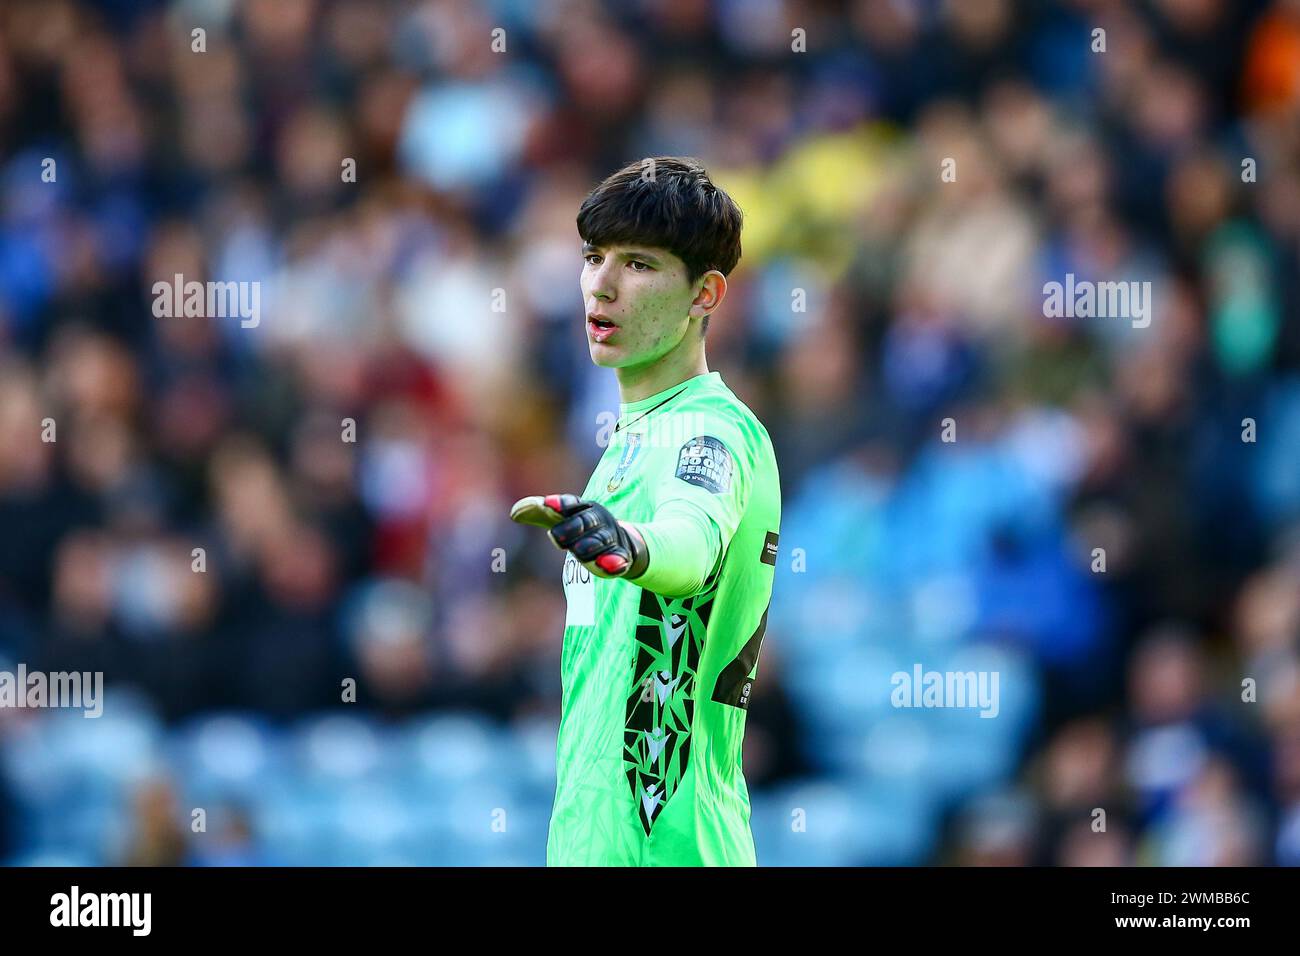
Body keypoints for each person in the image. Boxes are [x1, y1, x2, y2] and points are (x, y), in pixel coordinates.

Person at [511, 157, 782, 865]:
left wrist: (628, 544)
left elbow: (689, 544)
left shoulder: (713, 432)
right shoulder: (626, 449)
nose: (601, 284)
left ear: (705, 294)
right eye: (593, 257)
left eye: (638, 264)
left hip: (670, 846)